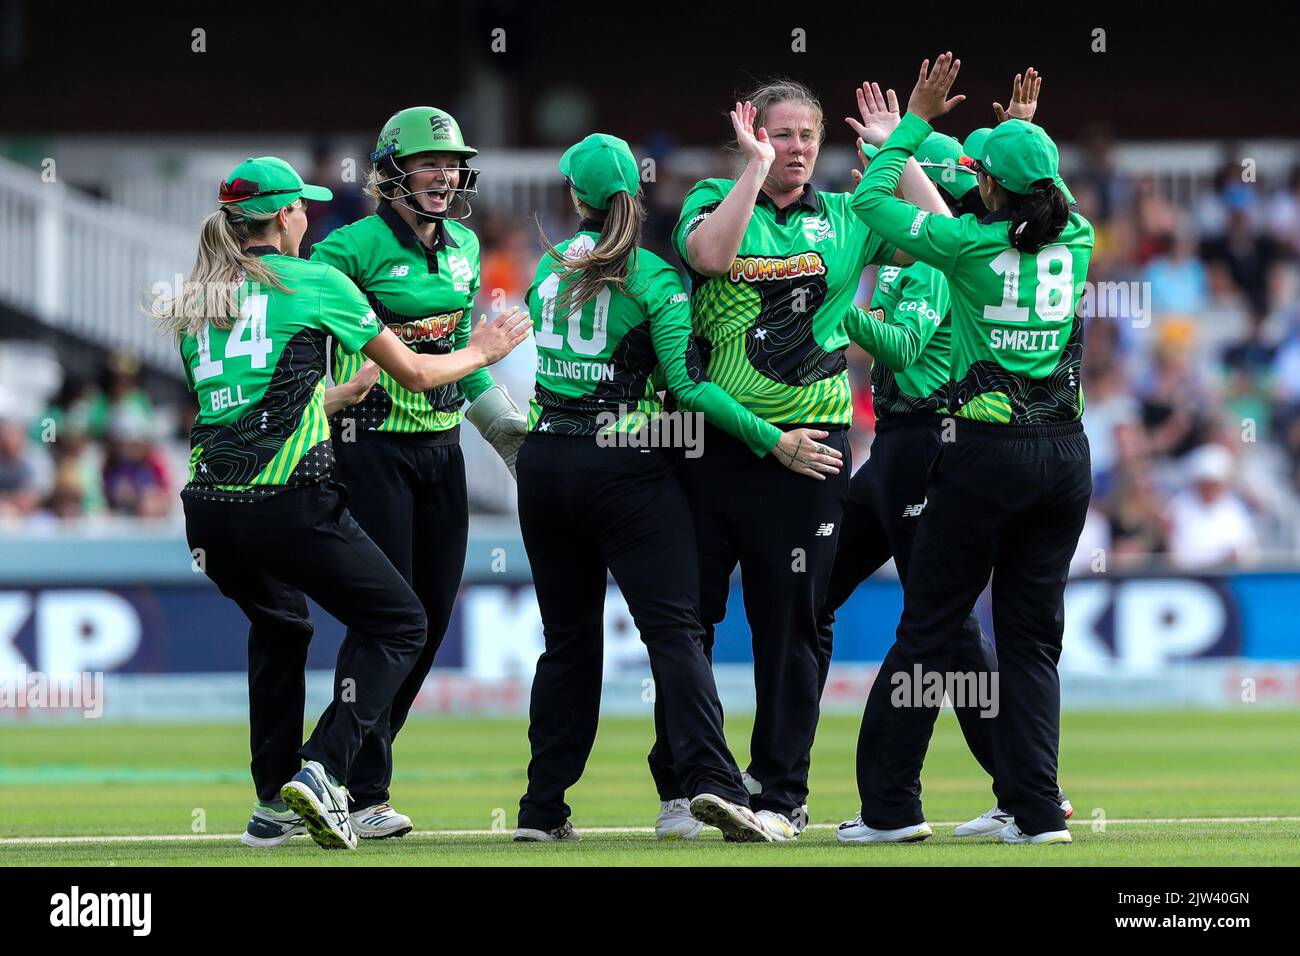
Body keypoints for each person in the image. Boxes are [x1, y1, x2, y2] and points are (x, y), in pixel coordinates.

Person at [157, 155, 528, 850]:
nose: (309, 218)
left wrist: (330, 397)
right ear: (284, 216)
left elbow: (240, 413)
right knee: (400, 624)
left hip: (208, 510)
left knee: (281, 630)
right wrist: (482, 350)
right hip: (286, 501)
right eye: (302, 208)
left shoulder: (195, 300)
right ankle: (326, 769)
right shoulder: (317, 282)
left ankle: (272, 803)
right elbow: (418, 372)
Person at [514, 133, 842, 844]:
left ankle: (542, 810)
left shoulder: (547, 266)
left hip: (543, 467)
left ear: (577, 198)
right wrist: (771, 438)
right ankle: (714, 784)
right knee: (674, 632)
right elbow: (688, 388)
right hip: (624, 467)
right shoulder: (656, 280)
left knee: (566, 644)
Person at [648, 80, 951, 840]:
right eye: (779, 134)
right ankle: (690, 785)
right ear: (752, 134)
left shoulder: (850, 215)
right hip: (714, 445)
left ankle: (781, 794)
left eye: (807, 136)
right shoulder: (713, 199)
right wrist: (749, 169)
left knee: (793, 627)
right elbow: (713, 258)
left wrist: (898, 147)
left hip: (811, 451)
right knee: (688, 622)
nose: (796, 149)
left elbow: (945, 238)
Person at [844, 54, 1094, 846]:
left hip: (987, 454)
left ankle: (889, 812)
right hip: (1067, 456)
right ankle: (1035, 809)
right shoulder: (1080, 237)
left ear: (986, 188)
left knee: (929, 628)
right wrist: (1022, 139)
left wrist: (911, 125)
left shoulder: (964, 249)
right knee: (1032, 645)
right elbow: (1038, 194)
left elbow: (873, 198)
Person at [309, 107, 530, 839]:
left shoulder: (465, 245)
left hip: (441, 455)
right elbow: (311, 335)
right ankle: (348, 782)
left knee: (425, 627)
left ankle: (349, 780)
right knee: (387, 623)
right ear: (393, 171)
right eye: (430, 162)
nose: (444, 175)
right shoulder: (348, 249)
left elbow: (455, 359)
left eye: (453, 163)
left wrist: (503, 430)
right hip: (369, 447)